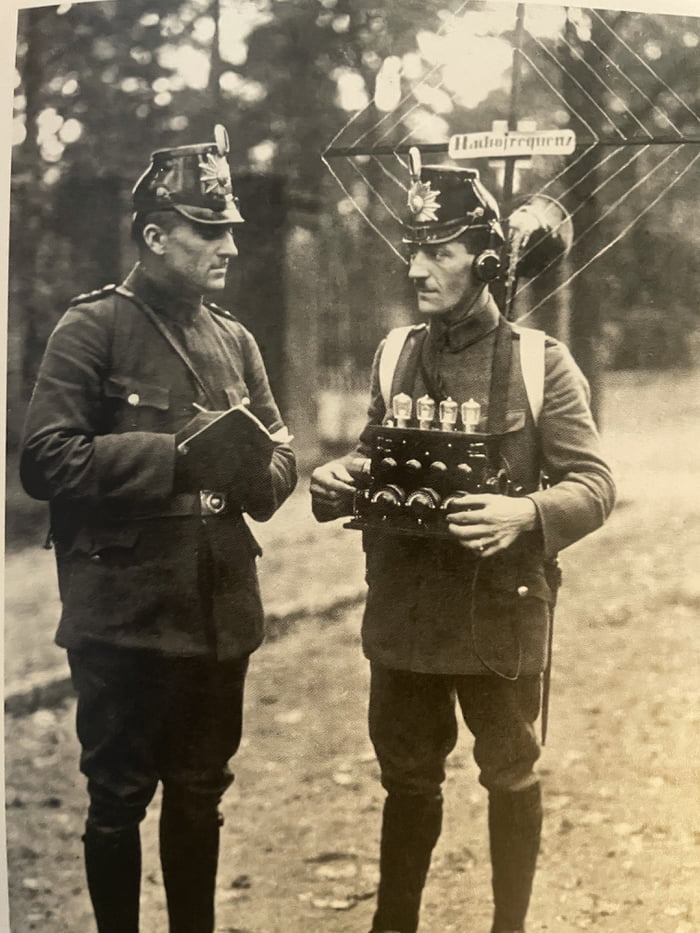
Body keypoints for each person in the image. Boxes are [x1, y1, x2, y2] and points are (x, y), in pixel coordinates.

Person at [309, 151, 615, 933]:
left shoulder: (540, 363)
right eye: (414, 249)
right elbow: (380, 453)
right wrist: (340, 476)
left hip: (499, 610)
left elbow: (593, 484)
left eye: (439, 251)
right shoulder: (393, 351)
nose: (418, 267)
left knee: (509, 771)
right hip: (406, 610)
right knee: (408, 779)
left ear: (483, 261)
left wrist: (528, 516)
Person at [20, 124, 297, 933]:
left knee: (201, 793)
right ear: (154, 234)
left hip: (216, 612)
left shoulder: (236, 340)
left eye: (230, 230)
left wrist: (252, 466)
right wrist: (179, 457)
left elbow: (280, 467)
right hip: (124, 614)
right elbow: (45, 459)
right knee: (117, 799)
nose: (228, 247)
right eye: (209, 230)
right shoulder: (93, 327)